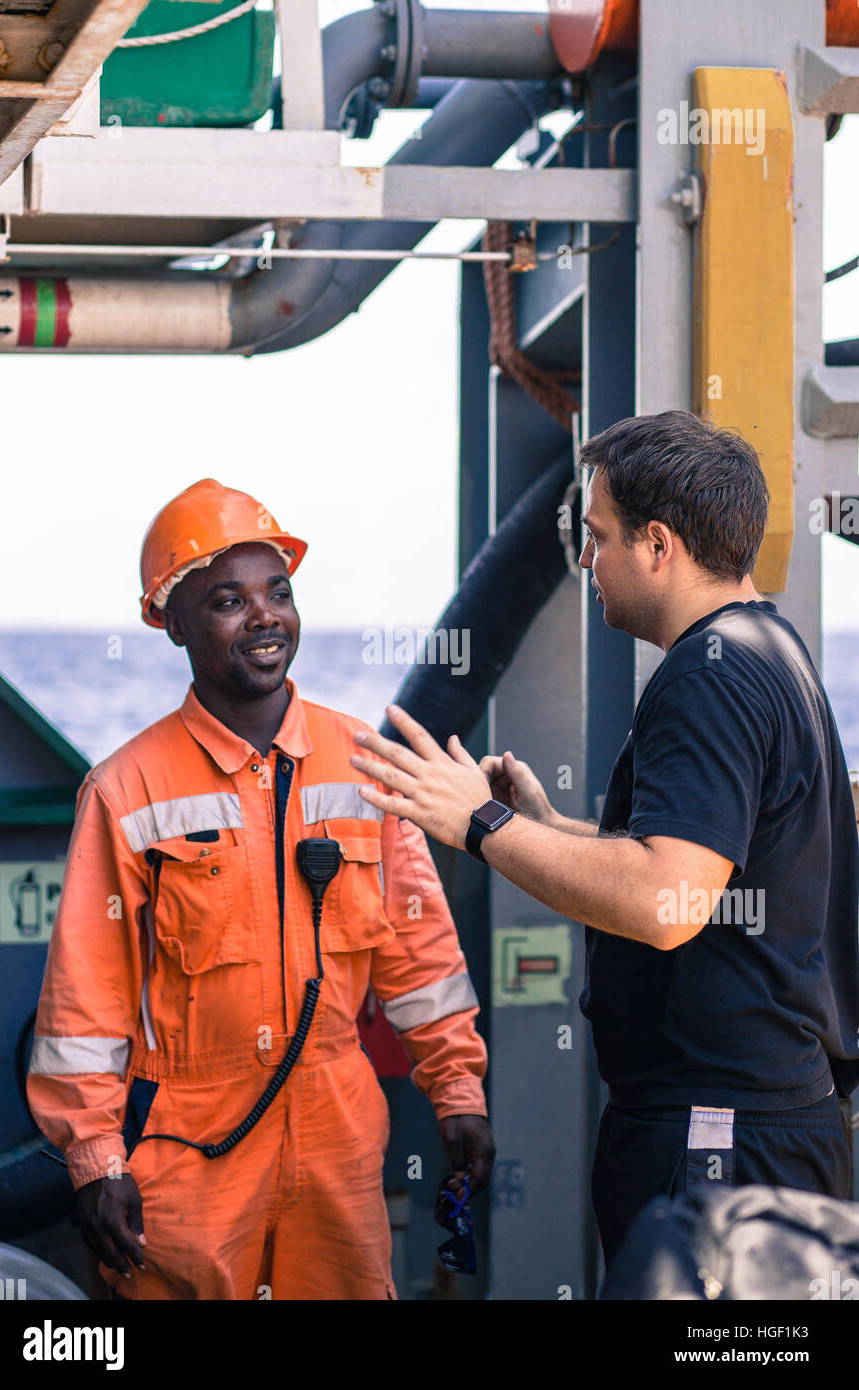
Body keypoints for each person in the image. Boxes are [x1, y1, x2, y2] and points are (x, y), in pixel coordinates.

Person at [349, 410, 859, 1267]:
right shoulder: (767, 646)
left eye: (598, 535)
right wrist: (547, 830)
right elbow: (705, 866)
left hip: (718, 1142)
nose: (586, 560)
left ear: (658, 545)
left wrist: (480, 825)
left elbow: (667, 903)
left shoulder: (708, 679)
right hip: (758, 1127)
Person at [28, 478, 495, 1300]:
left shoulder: (364, 763)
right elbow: (85, 998)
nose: (265, 616)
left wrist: (456, 1086)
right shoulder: (125, 790)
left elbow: (420, 952)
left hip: (338, 1133)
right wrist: (96, 1159)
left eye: (278, 593)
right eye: (228, 601)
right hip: (189, 1143)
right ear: (174, 623)